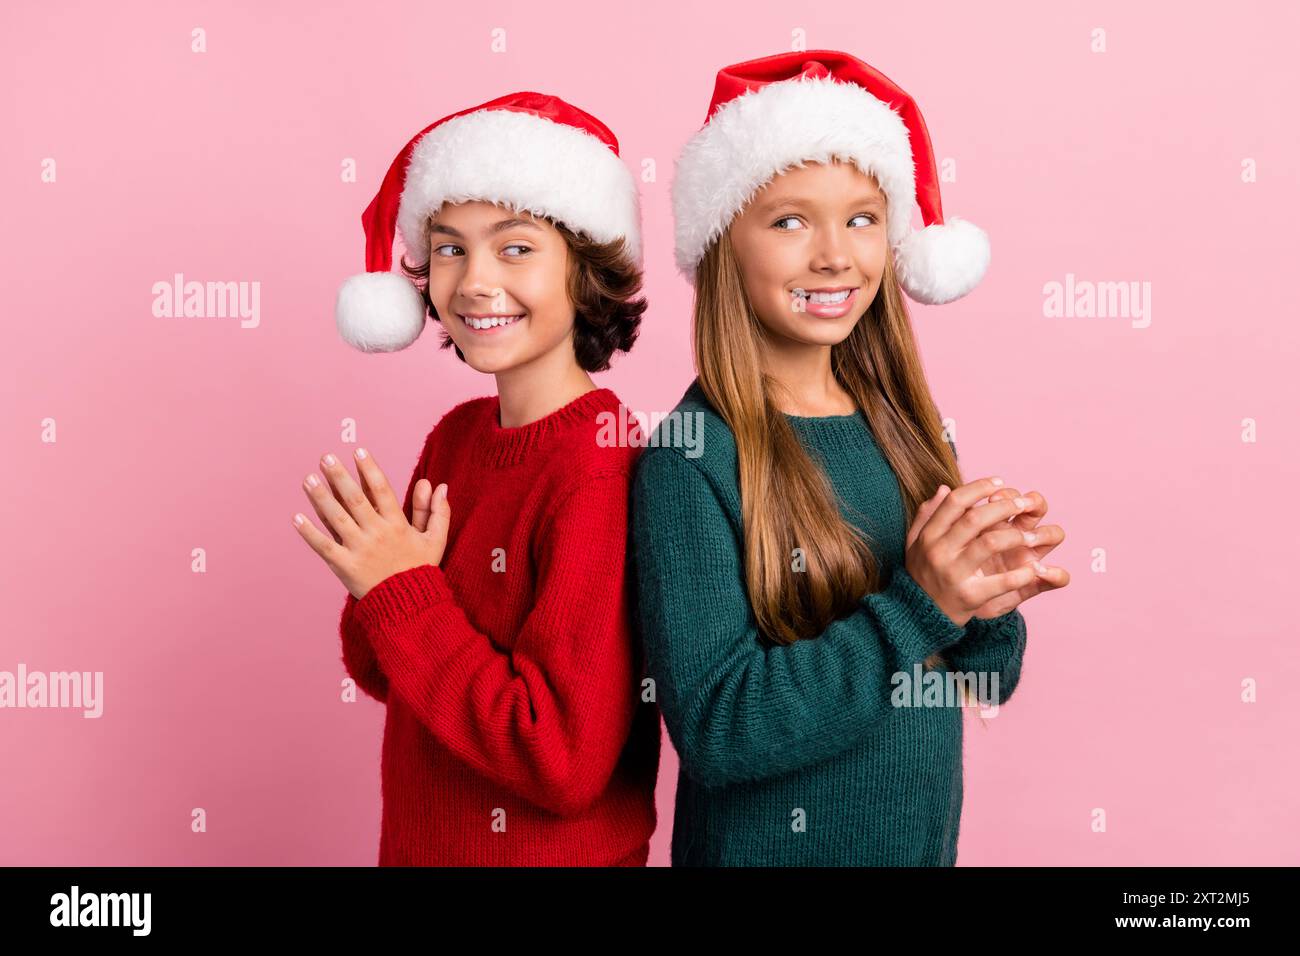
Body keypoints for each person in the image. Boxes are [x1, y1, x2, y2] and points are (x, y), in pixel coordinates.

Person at [631, 50, 1069, 866]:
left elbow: (984, 682)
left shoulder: (907, 429)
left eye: (863, 218)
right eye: (791, 220)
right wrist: (920, 602)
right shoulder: (690, 460)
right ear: (726, 241)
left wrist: (987, 595)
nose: (836, 255)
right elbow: (720, 732)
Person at [294, 92, 659, 865]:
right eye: (450, 248)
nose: (472, 282)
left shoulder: (602, 463)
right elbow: (380, 668)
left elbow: (560, 758)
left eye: (515, 248)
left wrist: (399, 589)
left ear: (586, 266)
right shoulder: (457, 438)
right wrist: (380, 582)